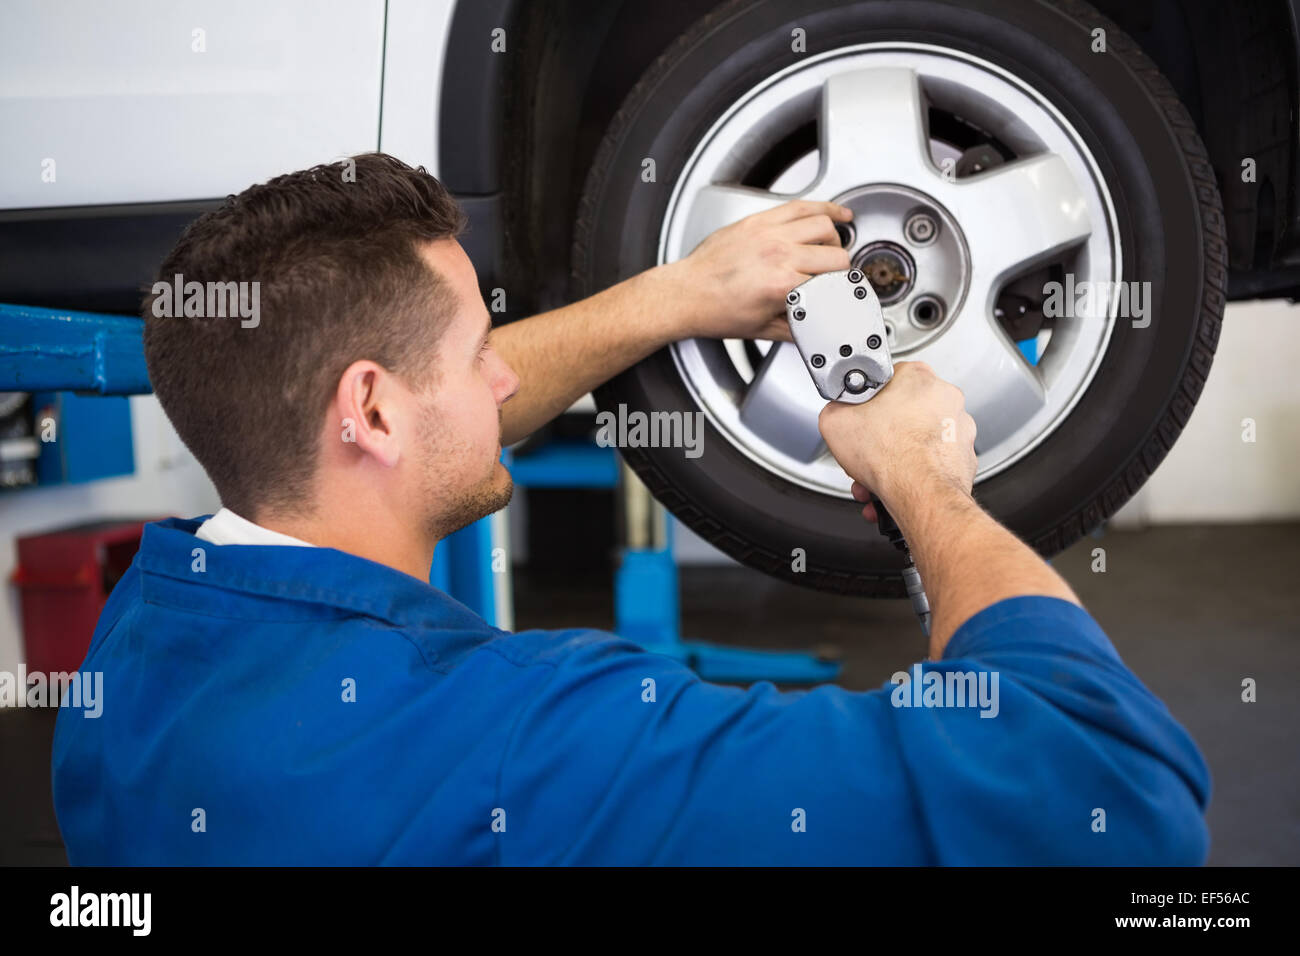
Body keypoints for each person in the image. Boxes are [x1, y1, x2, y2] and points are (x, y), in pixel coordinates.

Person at [52, 153, 1210, 865]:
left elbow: (396, 437)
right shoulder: (525, 741)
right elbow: (1106, 787)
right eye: (480, 349)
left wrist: (675, 296)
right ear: (371, 408)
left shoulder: (136, 651)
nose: (509, 376)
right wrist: (926, 482)